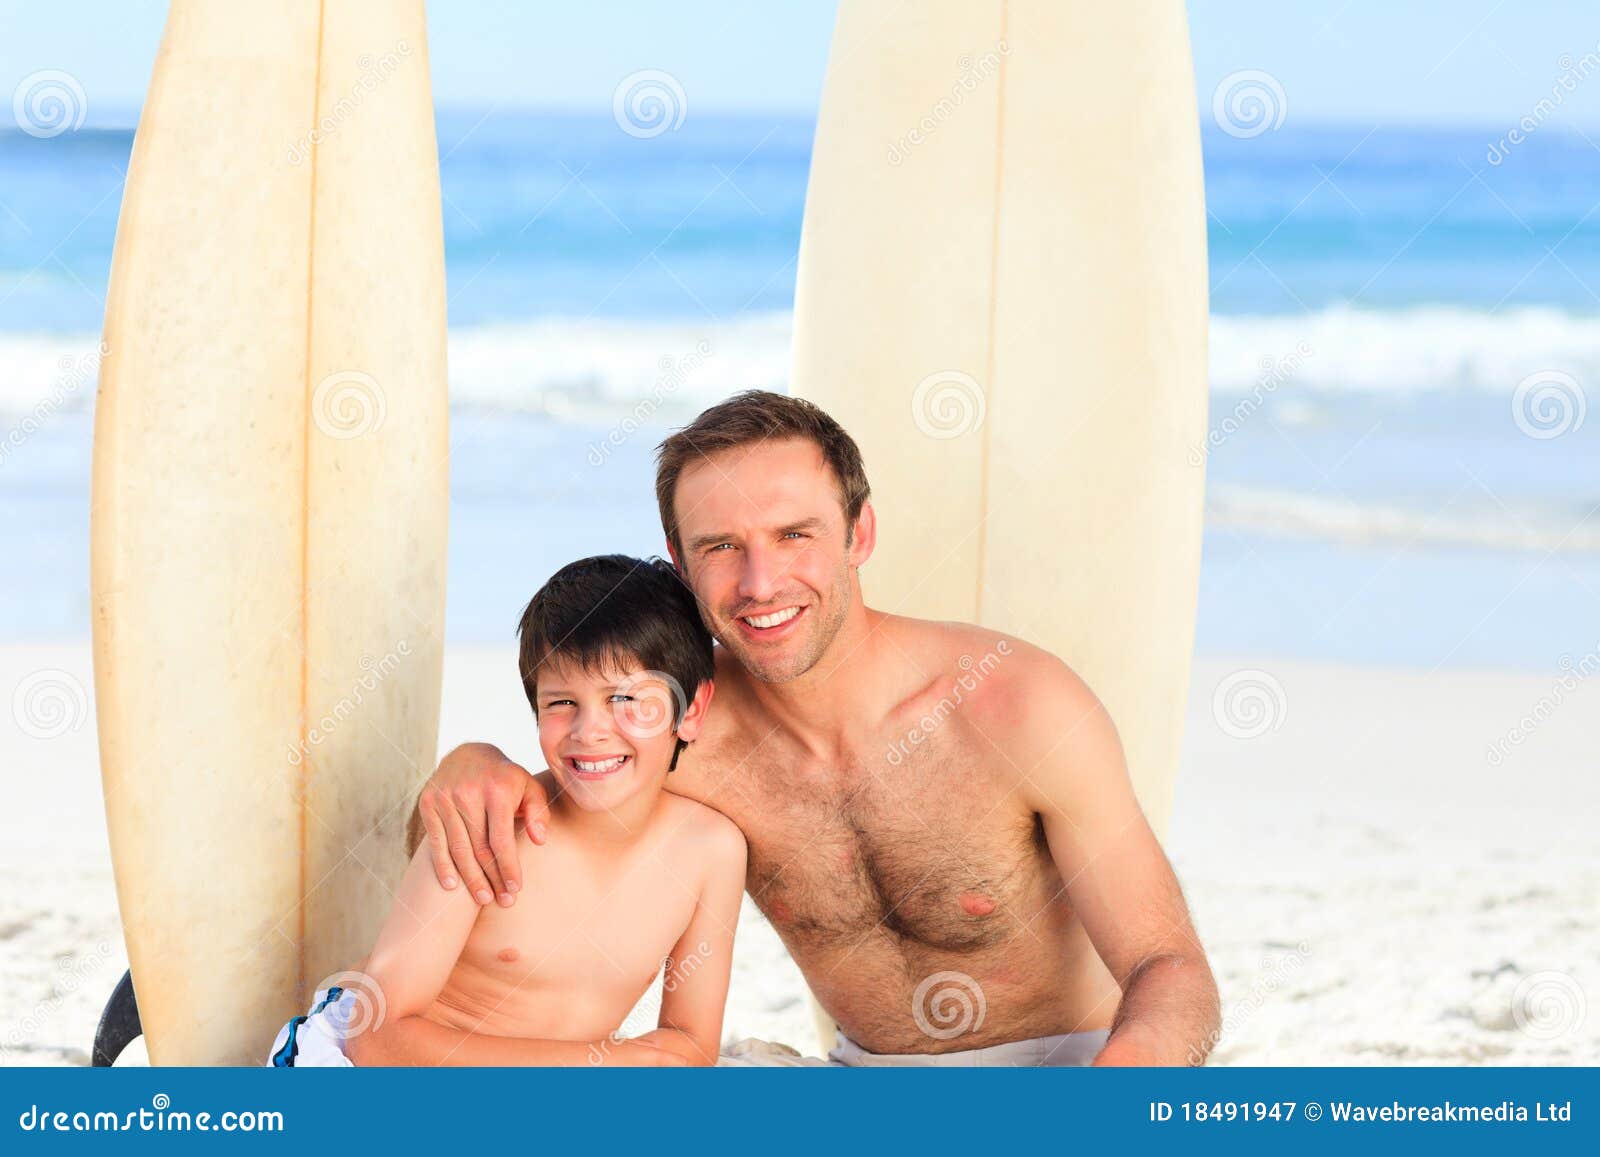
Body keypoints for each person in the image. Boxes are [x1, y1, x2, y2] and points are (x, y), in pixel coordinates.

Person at [414, 391, 1221, 1066]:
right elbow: (496, 833)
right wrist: (471, 765)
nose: (761, 582)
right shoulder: (688, 730)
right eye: (722, 546)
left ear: (858, 533)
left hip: (1071, 1073)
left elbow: (1171, 968)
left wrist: (1116, 1092)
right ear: (681, 563)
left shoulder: (1017, 707)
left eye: (794, 535)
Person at [268, 555, 747, 1066]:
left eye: (625, 698)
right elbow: (376, 1040)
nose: (590, 731)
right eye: (561, 703)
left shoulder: (712, 852)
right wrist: (603, 1066)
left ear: (691, 710)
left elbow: (690, 1044)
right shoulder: (489, 821)